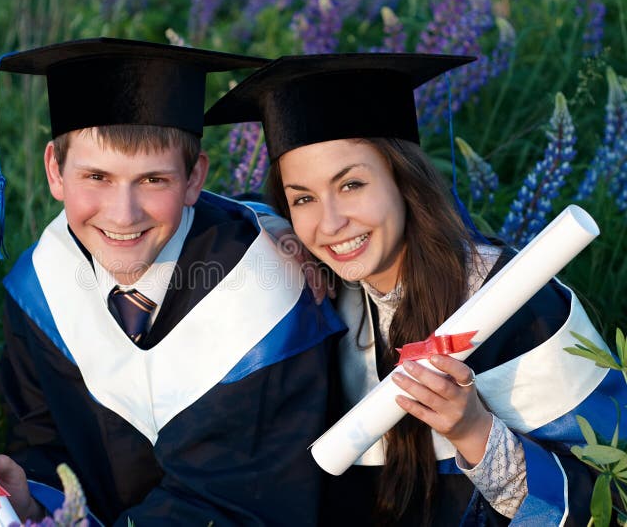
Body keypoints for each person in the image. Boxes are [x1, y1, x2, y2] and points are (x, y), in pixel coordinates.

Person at [0, 38, 345, 526]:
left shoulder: (266, 296)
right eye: (96, 177)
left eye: (153, 180)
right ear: (54, 172)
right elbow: (42, 441)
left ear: (194, 179)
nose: (122, 215)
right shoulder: (42, 287)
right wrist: (26, 502)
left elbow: (242, 501)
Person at [204, 53, 627, 525]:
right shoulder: (322, 293)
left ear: (404, 179)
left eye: (351, 185)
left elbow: (609, 498)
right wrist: (276, 228)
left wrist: (474, 431)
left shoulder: (518, 306)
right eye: (302, 198)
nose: (329, 223)